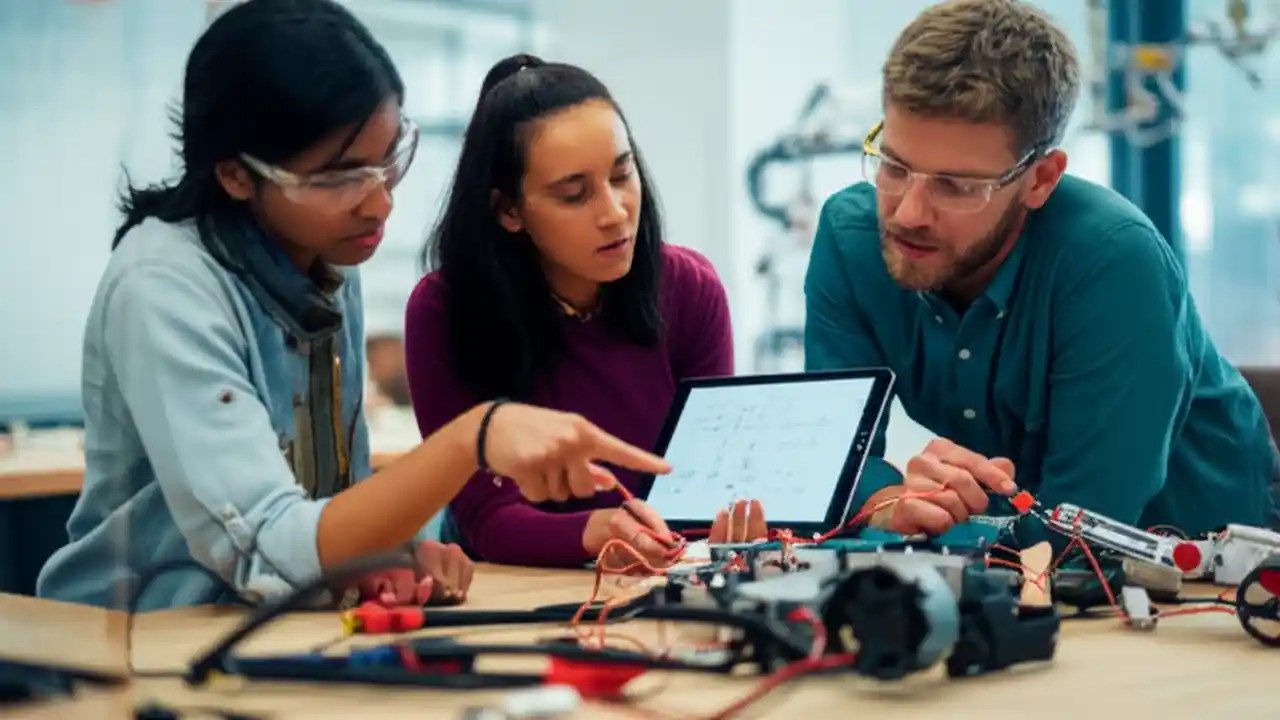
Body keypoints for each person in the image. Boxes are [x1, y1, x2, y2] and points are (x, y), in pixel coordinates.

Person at [36, 0, 671, 612]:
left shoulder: (329, 257)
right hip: (137, 635)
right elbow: (268, 546)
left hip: (267, 630)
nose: (379, 202)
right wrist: (473, 438)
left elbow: (332, 502)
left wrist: (396, 556)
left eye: (389, 159)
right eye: (340, 177)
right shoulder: (163, 287)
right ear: (235, 174)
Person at [804, 0, 1279, 540]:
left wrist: (924, 527)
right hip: (1028, 560)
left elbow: (1085, 529)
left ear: (1041, 179)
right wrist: (892, 501)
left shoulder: (1114, 260)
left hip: (1209, 568)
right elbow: (831, 460)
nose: (908, 212)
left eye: (956, 185)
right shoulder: (851, 240)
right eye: (894, 166)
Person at [405, 54, 766, 570]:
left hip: (653, 581)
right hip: (506, 593)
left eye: (623, 176)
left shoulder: (689, 288)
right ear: (509, 210)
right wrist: (596, 532)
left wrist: (732, 515)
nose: (614, 213)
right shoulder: (444, 310)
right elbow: (487, 517)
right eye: (574, 195)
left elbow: (706, 486)